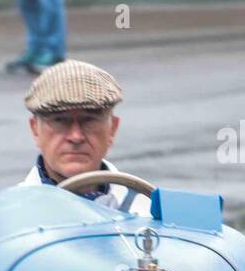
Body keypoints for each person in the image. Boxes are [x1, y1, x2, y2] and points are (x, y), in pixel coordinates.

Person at [20, 59, 150, 214]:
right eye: (59, 121)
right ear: (35, 130)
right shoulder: (5, 218)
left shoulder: (149, 212)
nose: (76, 137)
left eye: (89, 121)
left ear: (112, 129)